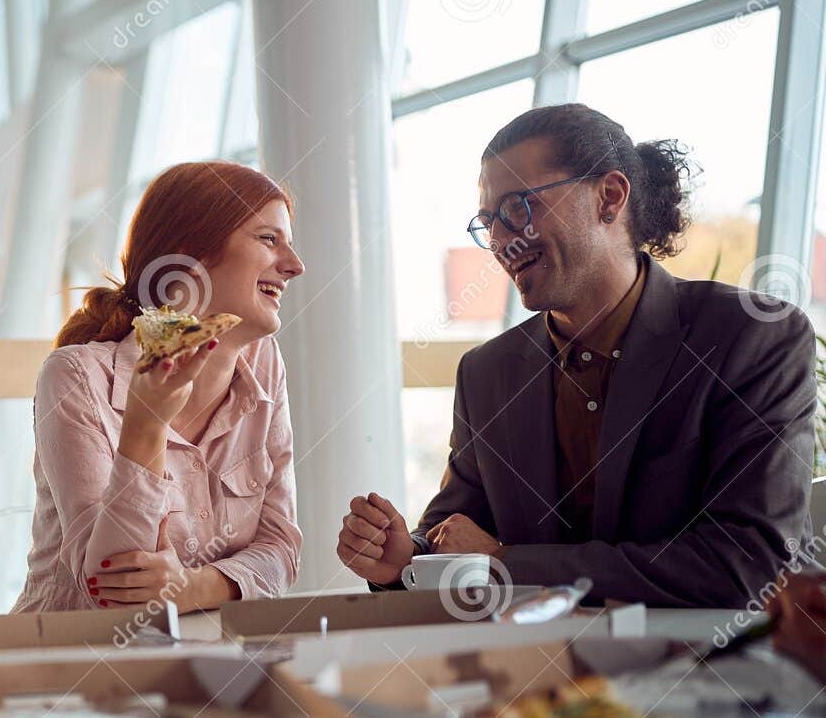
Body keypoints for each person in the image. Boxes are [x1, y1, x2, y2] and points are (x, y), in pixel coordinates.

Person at [337, 103, 816, 608]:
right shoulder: (487, 373)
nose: (501, 240)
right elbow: (453, 532)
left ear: (609, 197)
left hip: (727, 672)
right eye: (488, 222)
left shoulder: (751, 338)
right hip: (542, 675)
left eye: (518, 207)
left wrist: (504, 563)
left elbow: (749, 565)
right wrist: (402, 560)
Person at [14, 160, 304, 614]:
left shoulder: (264, 363)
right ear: (190, 252)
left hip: (200, 660)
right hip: (72, 668)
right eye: (269, 239)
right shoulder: (76, 376)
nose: (294, 266)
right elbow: (112, 591)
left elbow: (281, 546)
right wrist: (146, 427)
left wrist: (191, 588)